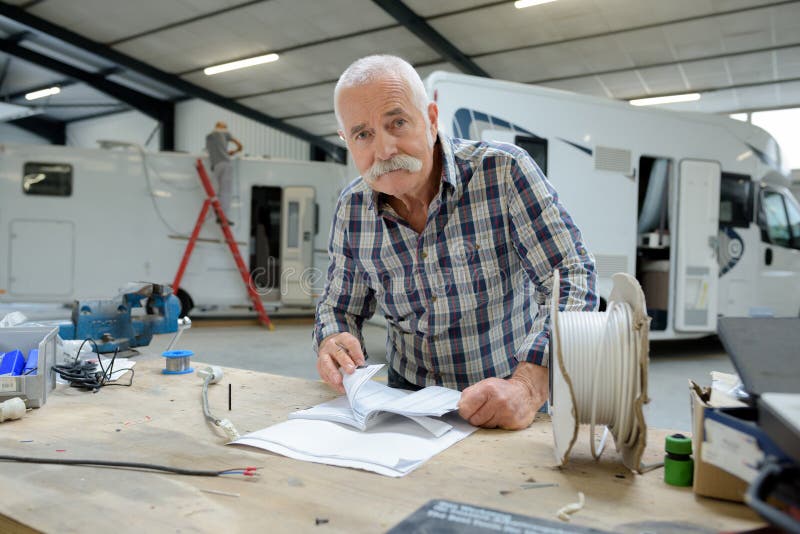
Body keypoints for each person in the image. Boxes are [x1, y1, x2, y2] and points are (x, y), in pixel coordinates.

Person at [314, 55, 597, 430]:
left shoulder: (504, 172)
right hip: (407, 408)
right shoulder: (352, 208)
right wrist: (333, 337)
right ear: (346, 141)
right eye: (362, 134)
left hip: (508, 397)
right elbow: (339, 305)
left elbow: (573, 276)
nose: (384, 151)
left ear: (431, 119)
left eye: (397, 123)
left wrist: (528, 387)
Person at [205, 121, 243, 224]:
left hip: (215, 166)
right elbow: (240, 146)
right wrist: (233, 152)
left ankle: (216, 213)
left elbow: (211, 151)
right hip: (225, 163)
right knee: (226, 192)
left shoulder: (208, 136)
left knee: (216, 191)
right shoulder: (225, 133)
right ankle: (223, 216)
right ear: (223, 127)